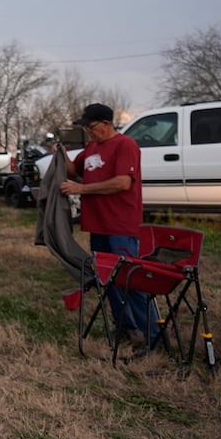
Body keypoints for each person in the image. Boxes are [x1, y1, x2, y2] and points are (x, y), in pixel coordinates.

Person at [60, 103, 152, 356]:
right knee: (108, 280)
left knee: (130, 280)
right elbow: (74, 170)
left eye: (92, 127)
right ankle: (125, 328)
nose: (90, 132)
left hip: (120, 225)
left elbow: (122, 182)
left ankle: (153, 337)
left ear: (106, 123)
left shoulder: (126, 146)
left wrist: (82, 189)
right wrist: (61, 155)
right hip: (97, 225)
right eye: (86, 128)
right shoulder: (91, 148)